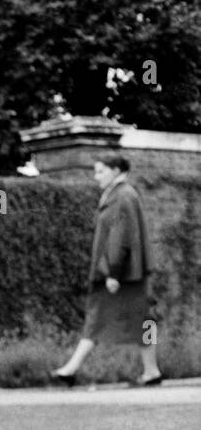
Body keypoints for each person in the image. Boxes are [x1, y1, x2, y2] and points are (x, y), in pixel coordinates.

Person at [52, 154, 163, 388]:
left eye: (100, 171)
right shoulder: (122, 194)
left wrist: (113, 273)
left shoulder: (122, 196)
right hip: (127, 274)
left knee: (129, 319)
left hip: (121, 275)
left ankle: (70, 370)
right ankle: (151, 371)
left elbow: (120, 237)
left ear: (115, 170)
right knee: (136, 319)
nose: (96, 176)